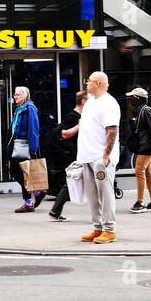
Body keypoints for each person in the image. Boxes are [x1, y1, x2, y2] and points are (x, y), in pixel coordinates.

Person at [77, 72, 121, 245]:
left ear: (97, 83)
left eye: (88, 81)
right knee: (93, 195)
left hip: (100, 158)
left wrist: (106, 155)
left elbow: (111, 130)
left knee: (106, 193)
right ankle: (98, 227)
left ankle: (109, 230)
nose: (86, 84)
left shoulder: (109, 103)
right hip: (88, 155)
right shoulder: (90, 102)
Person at [47, 90, 86, 221]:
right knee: (70, 182)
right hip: (70, 154)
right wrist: (80, 125)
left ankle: (55, 210)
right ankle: (55, 210)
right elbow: (64, 133)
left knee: (71, 182)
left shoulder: (81, 115)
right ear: (83, 101)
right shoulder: (73, 116)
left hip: (76, 152)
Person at [125, 87, 151, 214]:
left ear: (137, 98)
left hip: (146, 147)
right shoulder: (140, 110)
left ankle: (140, 202)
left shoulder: (146, 111)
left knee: (139, 171)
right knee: (148, 174)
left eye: (131, 97)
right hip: (145, 146)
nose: (129, 99)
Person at [9, 85, 44, 212]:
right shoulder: (19, 109)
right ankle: (37, 192)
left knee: (23, 173)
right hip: (17, 144)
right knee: (16, 171)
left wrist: (33, 148)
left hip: (25, 146)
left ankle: (28, 202)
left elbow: (33, 129)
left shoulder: (30, 108)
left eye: (17, 94)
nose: (15, 96)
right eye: (15, 94)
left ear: (24, 96)